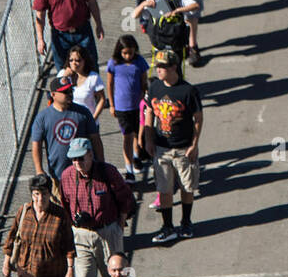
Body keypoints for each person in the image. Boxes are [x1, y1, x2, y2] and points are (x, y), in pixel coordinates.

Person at [2, 175, 75, 277]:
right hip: (27, 272)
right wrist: (6, 262)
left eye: (43, 193)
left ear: (50, 193)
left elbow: (69, 246)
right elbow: (12, 237)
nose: (40, 198)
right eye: (36, 194)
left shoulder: (60, 215)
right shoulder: (24, 212)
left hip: (54, 274)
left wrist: (70, 270)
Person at [144, 48, 204, 244]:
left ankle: (186, 222)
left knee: (188, 187)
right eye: (157, 66)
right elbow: (150, 113)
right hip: (162, 147)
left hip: (183, 147)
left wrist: (194, 144)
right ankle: (167, 226)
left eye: (162, 67)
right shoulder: (155, 88)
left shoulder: (188, 91)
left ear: (173, 67)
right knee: (164, 189)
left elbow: (198, 118)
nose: (158, 70)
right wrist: (148, 138)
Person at [60, 137, 135, 277]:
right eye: (73, 159)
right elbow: (64, 204)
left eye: (80, 158)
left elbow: (125, 198)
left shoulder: (108, 172)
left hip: (108, 232)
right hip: (81, 235)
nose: (77, 163)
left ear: (90, 155)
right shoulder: (67, 176)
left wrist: (119, 224)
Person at [30, 79, 103, 185]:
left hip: (84, 173)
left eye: (70, 90)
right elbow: (36, 144)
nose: (69, 94)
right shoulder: (43, 117)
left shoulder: (83, 113)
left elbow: (95, 139)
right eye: (65, 92)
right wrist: (39, 170)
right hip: (58, 177)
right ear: (53, 94)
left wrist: (101, 164)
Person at [132, 0, 201, 71]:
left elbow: (195, 5)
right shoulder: (152, 1)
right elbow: (134, 15)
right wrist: (143, 4)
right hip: (159, 45)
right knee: (162, 70)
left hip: (175, 45)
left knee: (175, 71)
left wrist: (177, 11)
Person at [106, 34, 149, 176]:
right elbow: (110, 84)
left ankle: (136, 156)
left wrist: (145, 98)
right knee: (127, 137)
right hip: (122, 107)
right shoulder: (114, 63)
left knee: (138, 133)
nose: (128, 56)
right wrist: (112, 104)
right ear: (119, 51)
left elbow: (144, 82)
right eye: (125, 53)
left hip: (138, 106)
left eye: (130, 52)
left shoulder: (140, 61)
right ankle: (129, 167)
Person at [60, 45, 105, 120]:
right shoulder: (62, 74)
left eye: (78, 60)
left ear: (85, 61)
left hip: (87, 122)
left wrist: (93, 119)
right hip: (67, 122)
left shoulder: (93, 77)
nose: (74, 63)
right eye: (71, 60)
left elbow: (101, 99)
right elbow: (55, 94)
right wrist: (64, 77)